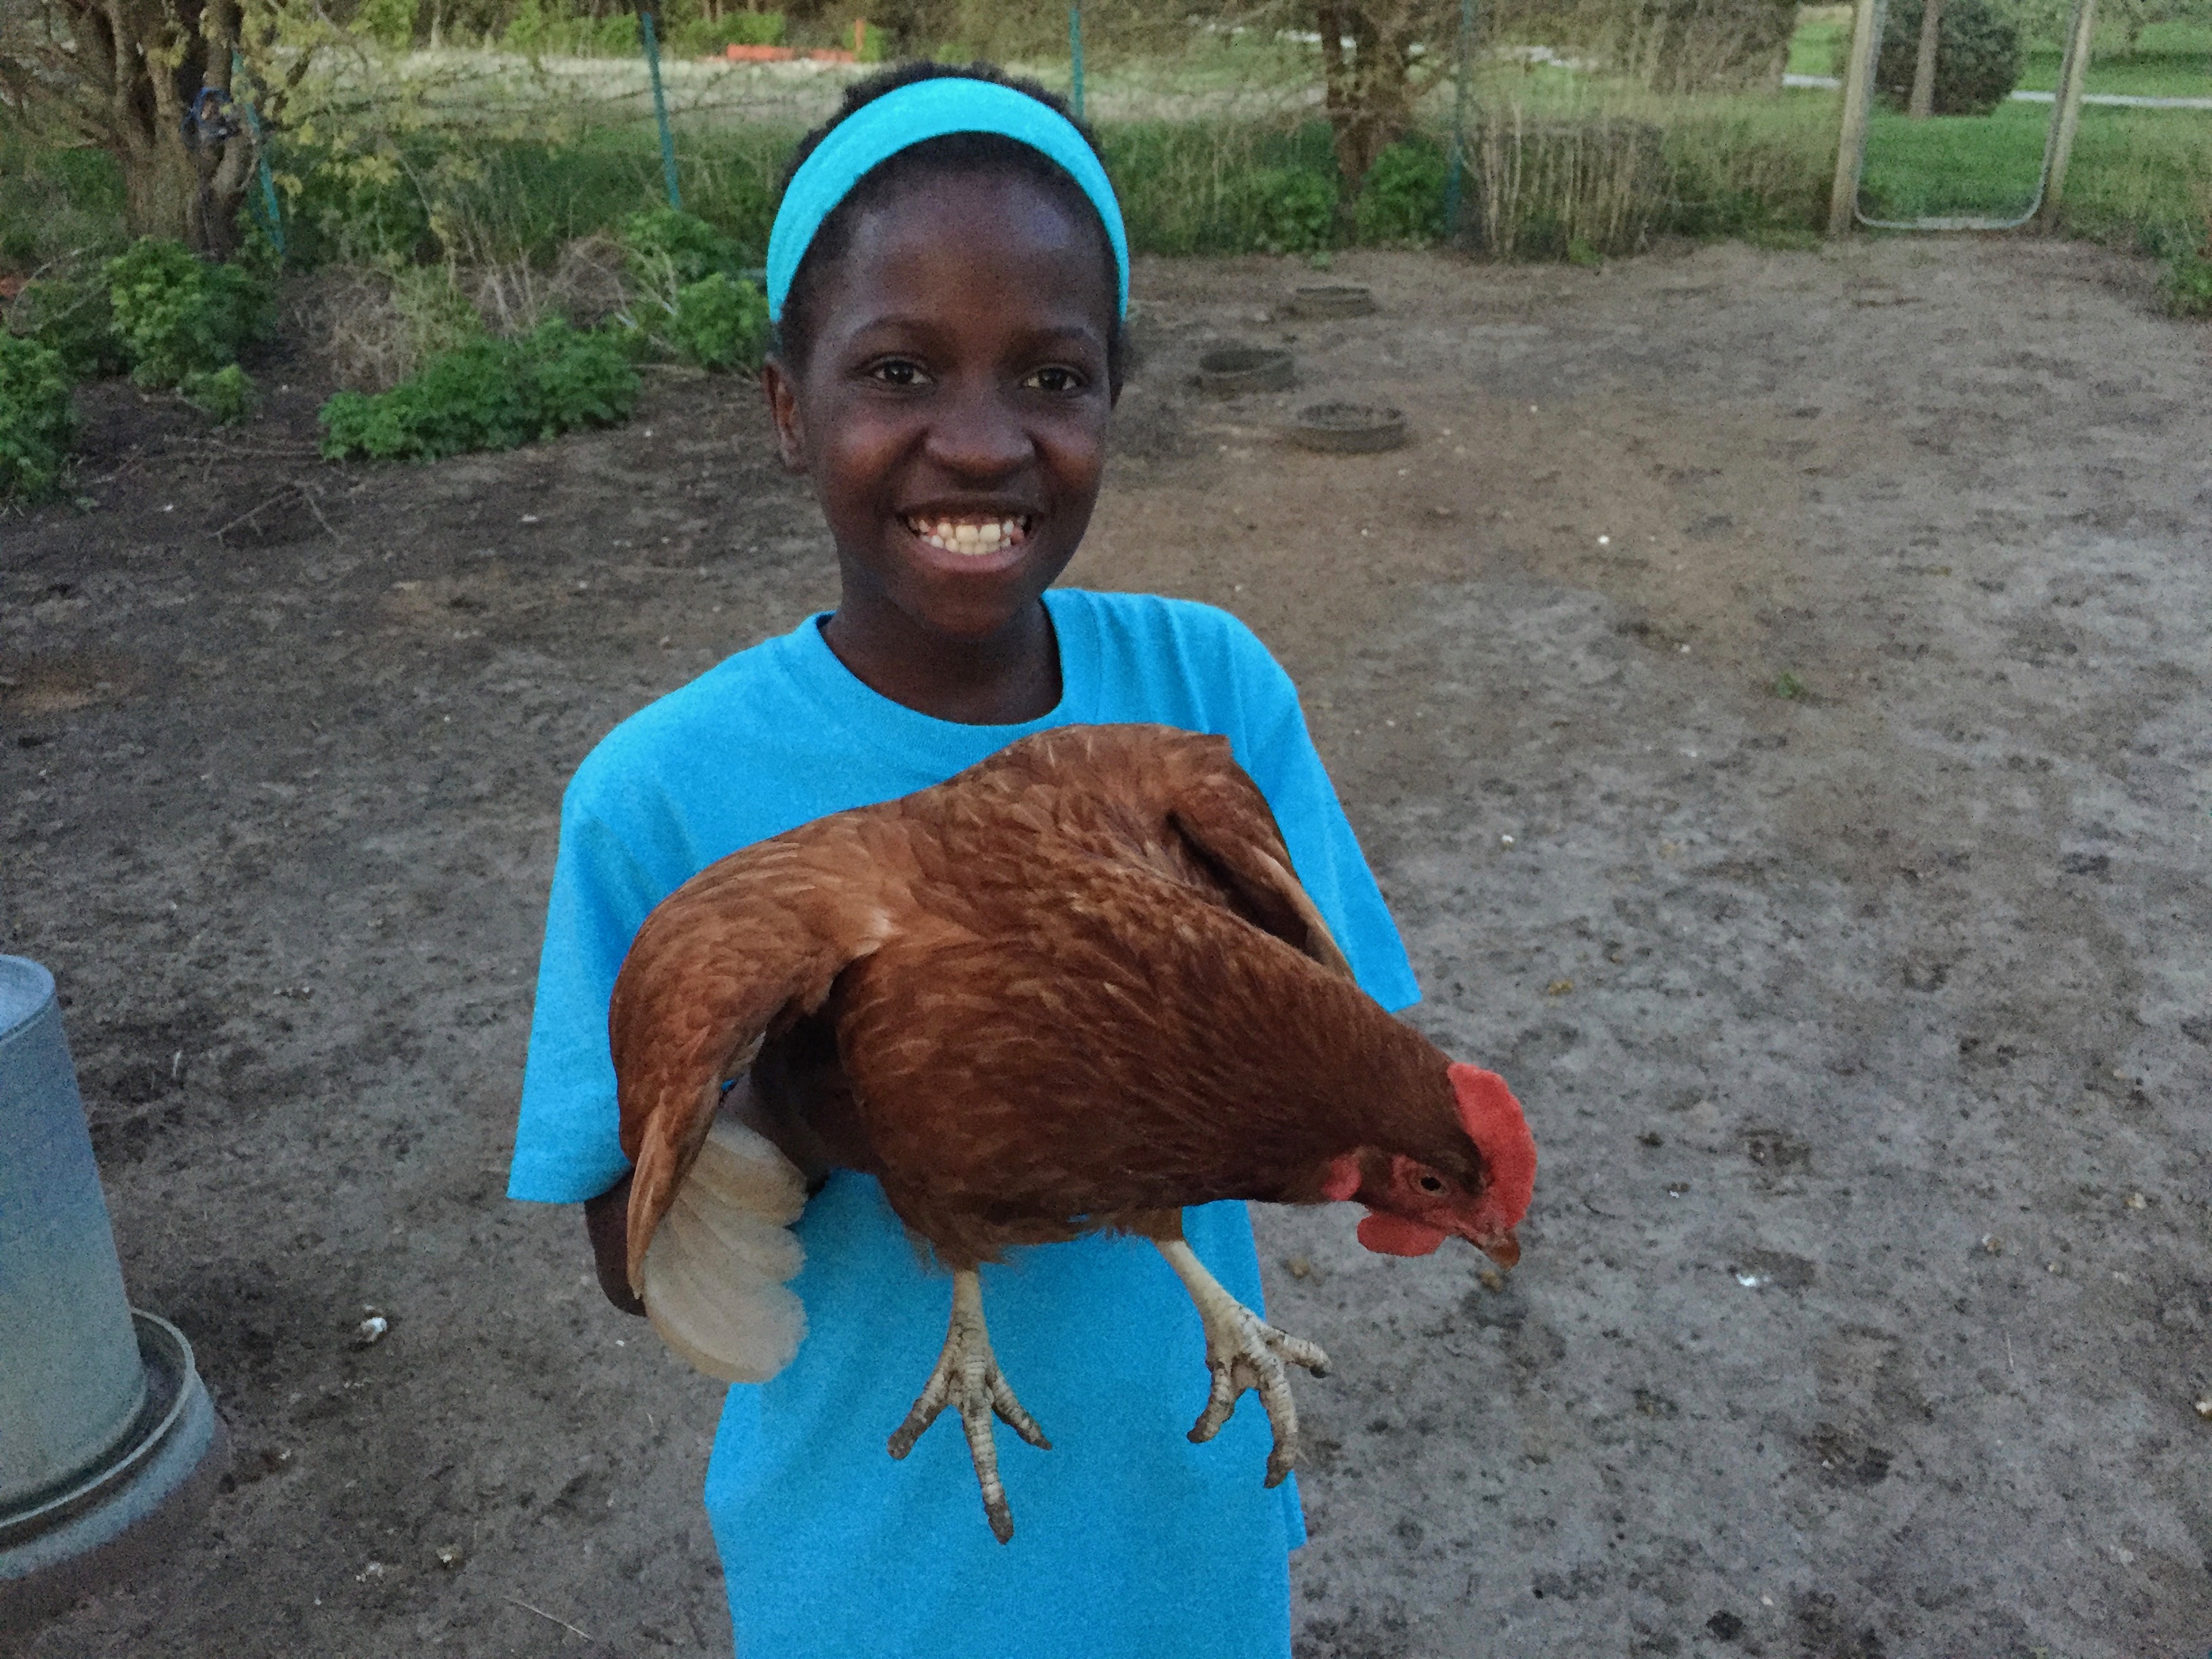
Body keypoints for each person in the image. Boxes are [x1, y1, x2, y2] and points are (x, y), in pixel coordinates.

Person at [508, 60, 1420, 1658]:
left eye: (1055, 378)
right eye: (901, 369)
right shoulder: (660, 792)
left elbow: (1343, 1068)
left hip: (1182, 1524)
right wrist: (825, 1091)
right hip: (876, 1565)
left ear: (1114, 400)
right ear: (792, 410)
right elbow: (633, 1253)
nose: (984, 443)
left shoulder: (1207, 692)